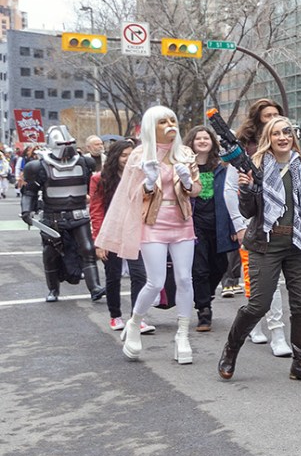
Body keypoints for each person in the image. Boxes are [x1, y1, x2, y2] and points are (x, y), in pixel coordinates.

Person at [217, 117, 301, 383]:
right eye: (276, 134)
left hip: (299, 245)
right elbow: (248, 211)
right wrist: (246, 190)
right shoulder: (256, 165)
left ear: (293, 136)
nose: (283, 137)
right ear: (268, 139)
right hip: (265, 245)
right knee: (258, 304)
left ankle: (300, 364)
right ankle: (231, 350)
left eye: (287, 132)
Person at [94, 106, 199, 364]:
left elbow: (197, 190)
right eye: (162, 121)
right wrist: (149, 183)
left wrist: (187, 181)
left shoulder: (184, 152)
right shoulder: (139, 155)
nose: (169, 125)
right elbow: (130, 196)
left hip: (182, 222)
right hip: (152, 224)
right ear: (152, 126)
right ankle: (134, 323)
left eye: (172, 120)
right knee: (155, 281)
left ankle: (182, 336)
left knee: (185, 279)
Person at [224, 99, 292, 355]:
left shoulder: (288, 149)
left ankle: (268, 328)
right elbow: (231, 189)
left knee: (277, 284)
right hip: (256, 226)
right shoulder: (244, 150)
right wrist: (240, 225)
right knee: (264, 283)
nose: (271, 119)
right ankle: (273, 331)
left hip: (285, 227)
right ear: (257, 119)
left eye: (276, 115)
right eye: (267, 116)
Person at [21, 125, 105, 303]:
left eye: (70, 143)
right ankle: (53, 289)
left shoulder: (85, 163)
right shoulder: (38, 166)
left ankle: (95, 287)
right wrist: (26, 210)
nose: (67, 147)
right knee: (50, 254)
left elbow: (94, 184)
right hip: (53, 217)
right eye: (62, 143)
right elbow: (29, 191)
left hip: (79, 214)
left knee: (88, 250)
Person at [91, 139, 154, 335]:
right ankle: (115, 315)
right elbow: (96, 209)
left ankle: (137, 318)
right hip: (111, 231)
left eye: (131, 154)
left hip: (135, 231)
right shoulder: (100, 179)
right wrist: (99, 240)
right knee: (113, 275)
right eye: (123, 155)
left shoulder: (141, 175)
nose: (127, 159)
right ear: (115, 157)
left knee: (139, 274)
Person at [187, 125, 236, 331]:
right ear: (191, 142)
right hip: (194, 223)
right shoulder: (185, 166)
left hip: (219, 223)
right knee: (199, 268)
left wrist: (234, 225)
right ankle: (204, 310)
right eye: (198, 138)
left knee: (220, 266)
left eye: (206, 138)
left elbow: (232, 196)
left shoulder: (222, 166)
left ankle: (206, 293)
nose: (202, 141)